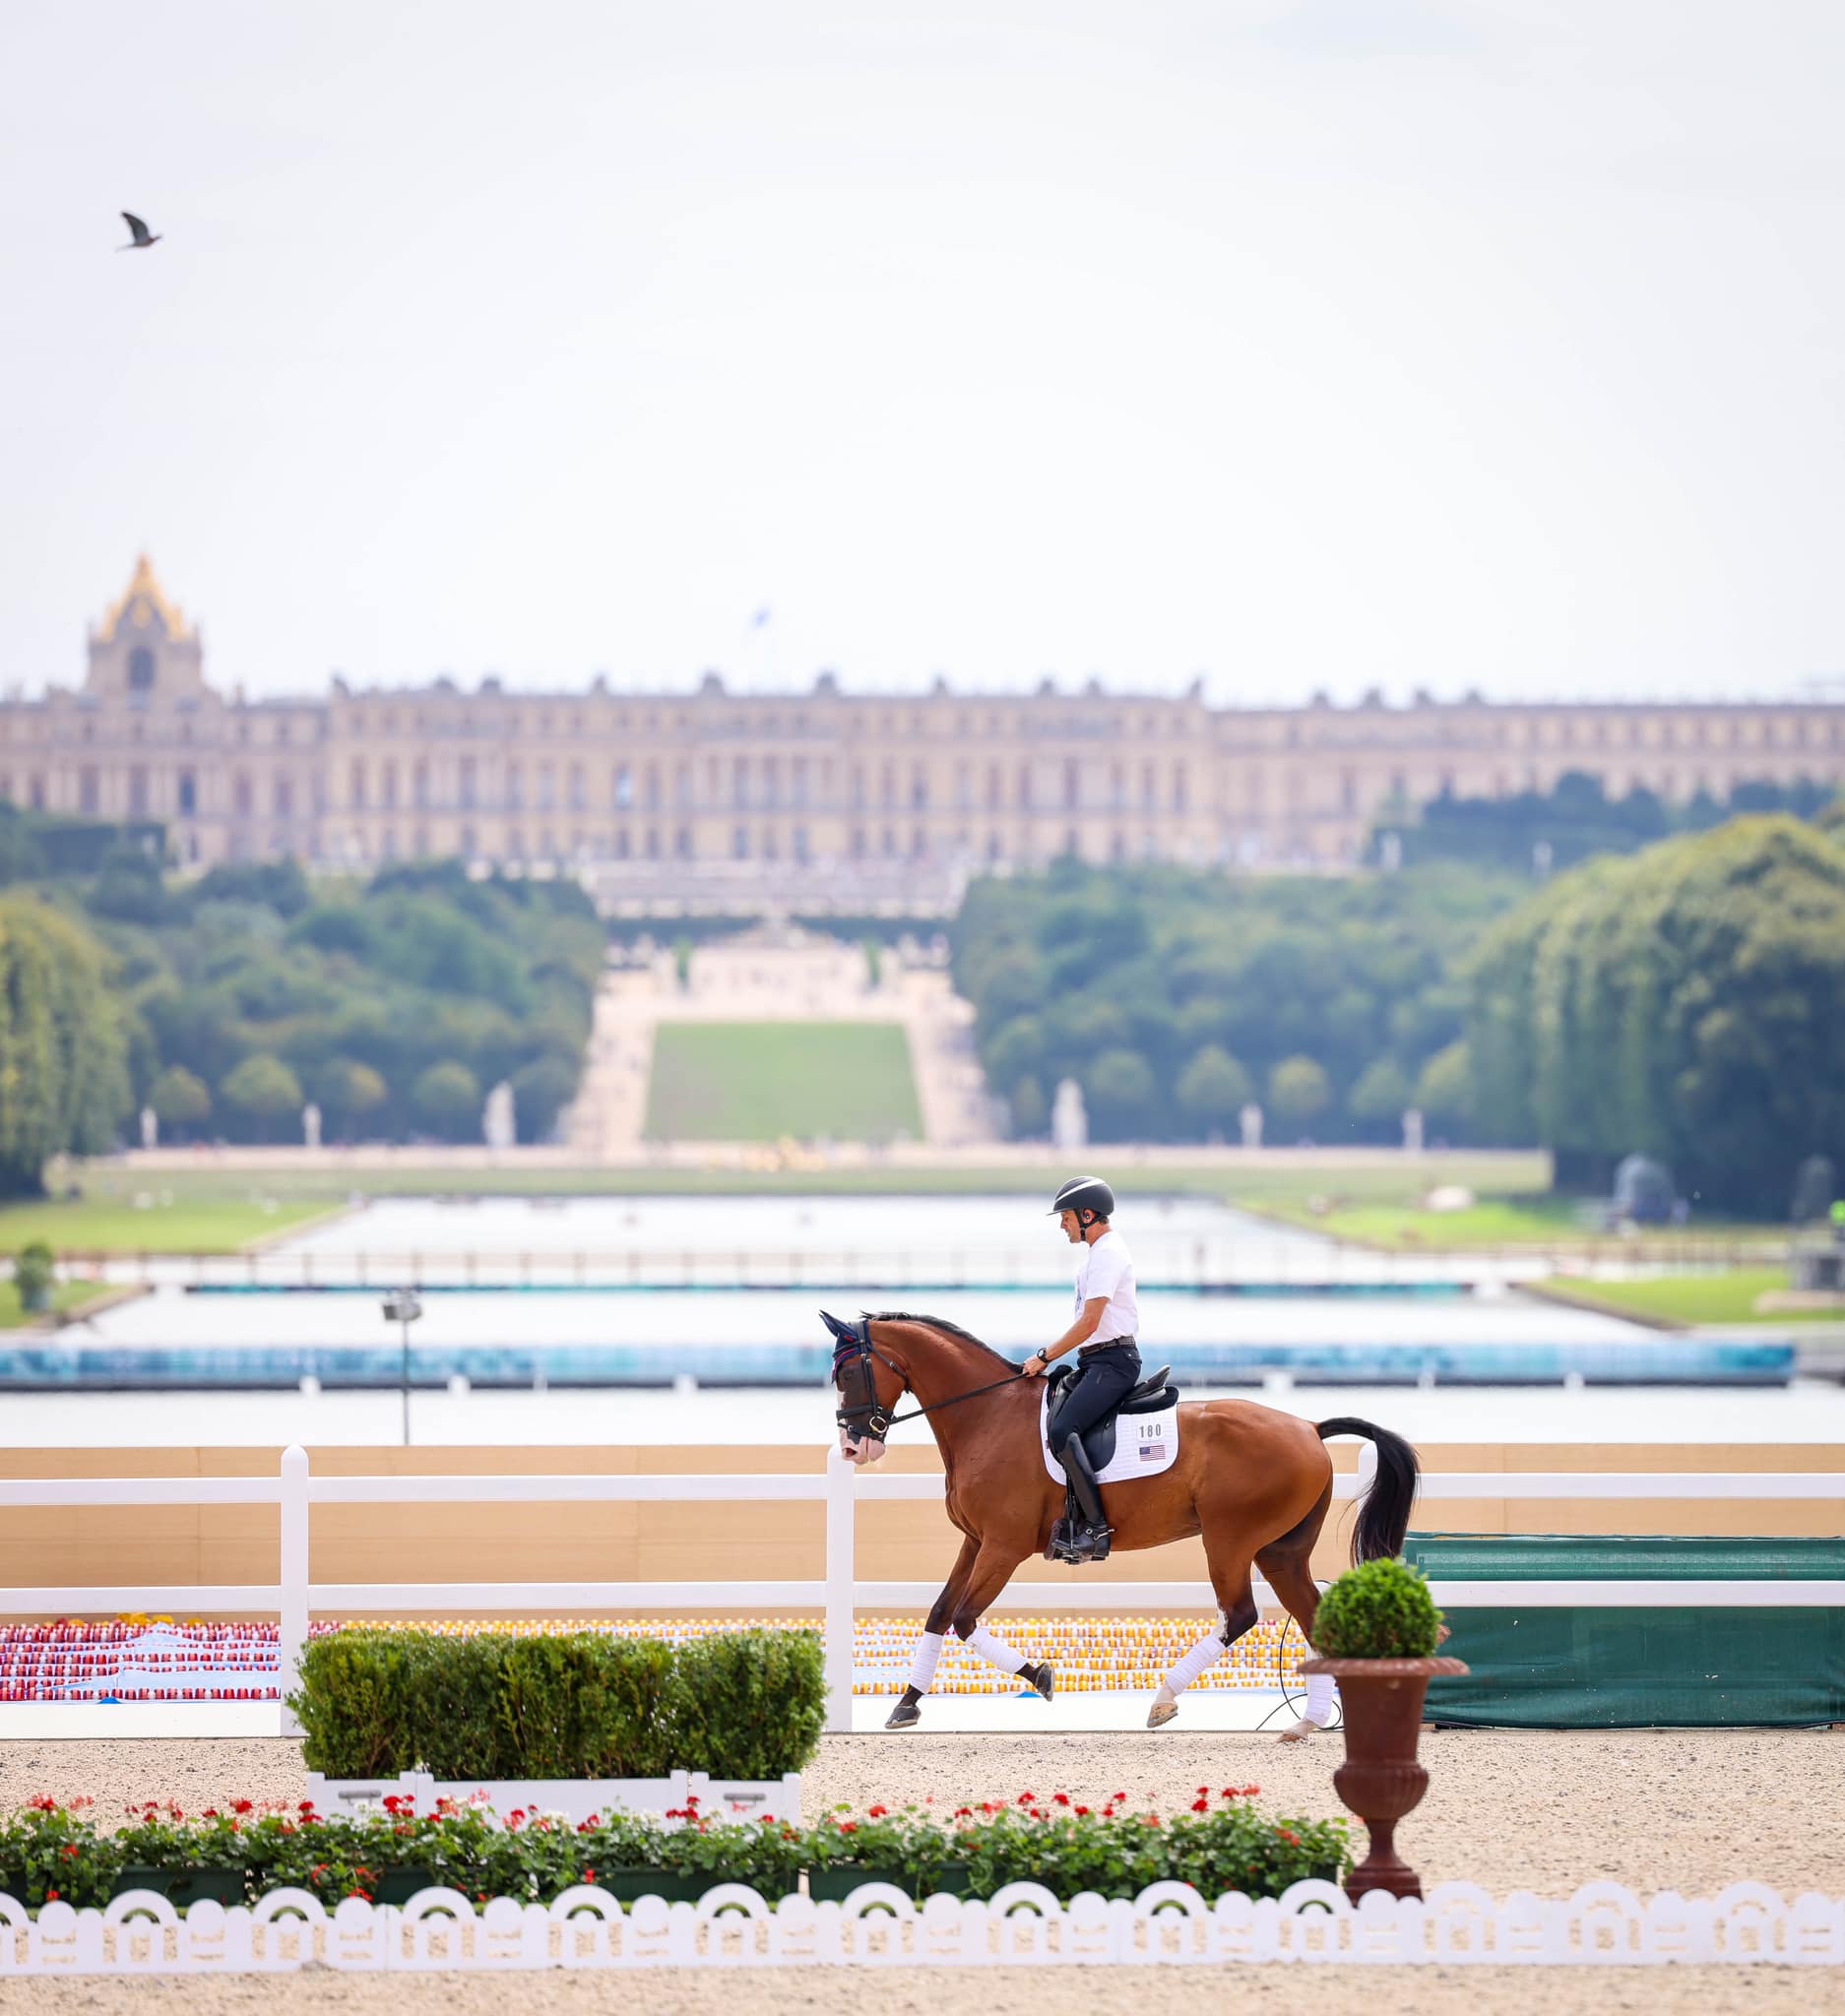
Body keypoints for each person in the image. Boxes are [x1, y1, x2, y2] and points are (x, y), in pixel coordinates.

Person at [1024, 1175, 1140, 1563]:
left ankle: (1096, 1527)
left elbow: (1089, 1323)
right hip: (1095, 1361)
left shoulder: (1108, 1254)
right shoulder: (1099, 1253)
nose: (1062, 1225)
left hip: (1113, 1362)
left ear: (1088, 1215)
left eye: (1066, 1218)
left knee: (1062, 1429)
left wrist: (1045, 1356)